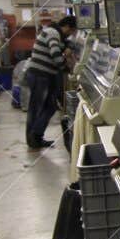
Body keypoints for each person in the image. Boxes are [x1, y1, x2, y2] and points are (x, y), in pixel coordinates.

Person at [24, 14, 77, 149]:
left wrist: (68, 47)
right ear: (66, 27)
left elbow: (63, 45)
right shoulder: (53, 33)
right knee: (36, 108)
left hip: (44, 75)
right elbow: (56, 55)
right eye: (71, 31)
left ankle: (36, 135)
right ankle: (33, 139)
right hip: (39, 75)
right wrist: (67, 67)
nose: (70, 34)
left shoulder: (55, 33)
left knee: (50, 106)